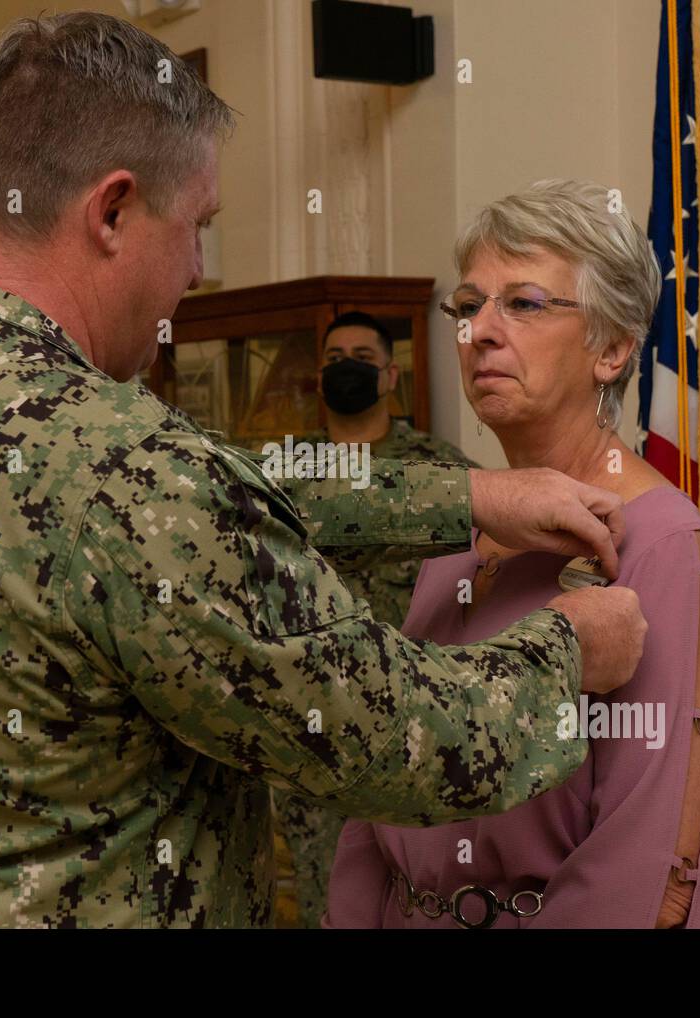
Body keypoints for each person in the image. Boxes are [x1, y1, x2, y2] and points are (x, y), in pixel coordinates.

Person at [0, 16, 647, 928]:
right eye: (198, 227)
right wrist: (565, 654)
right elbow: (387, 736)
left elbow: (204, 484)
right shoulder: (122, 464)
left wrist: (465, 494)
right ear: (110, 211)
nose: (197, 269)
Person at [325, 178, 700, 929]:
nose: (479, 331)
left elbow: (643, 871)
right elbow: (380, 783)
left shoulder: (668, 548)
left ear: (612, 349)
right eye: (467, 305)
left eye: (522, 304)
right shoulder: (457, 535)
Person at [276, 311, 477, 927]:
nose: (347, 369)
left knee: (424, 901)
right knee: (326, 904)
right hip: (313, 733)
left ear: (390, 377)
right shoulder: (284, 472)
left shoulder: (436, 470)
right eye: (335, 359)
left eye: (363, 358)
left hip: (415, 728)